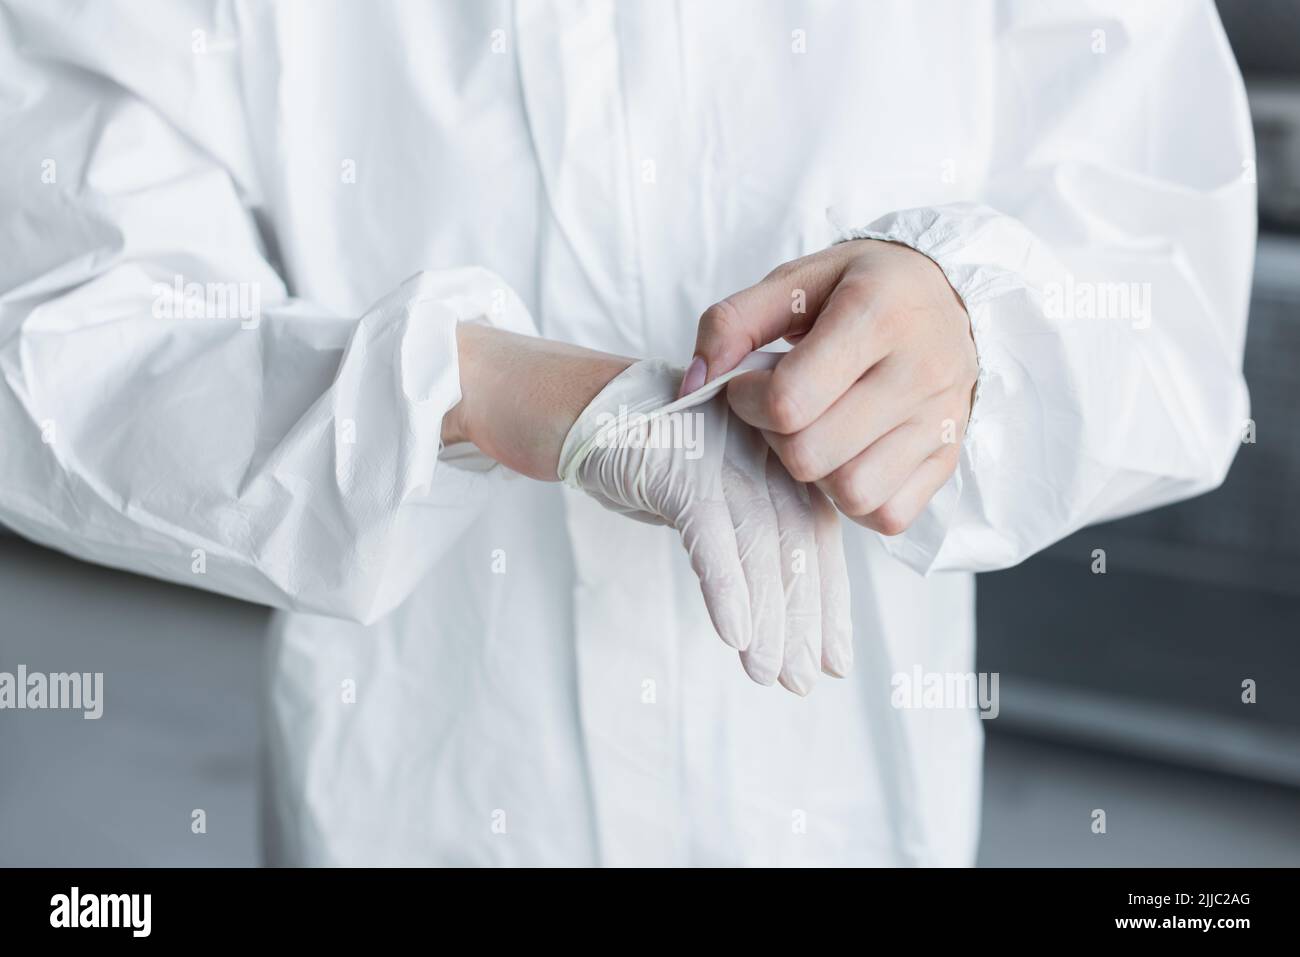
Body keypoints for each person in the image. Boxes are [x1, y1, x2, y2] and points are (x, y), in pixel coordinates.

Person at [0, 0, 1253, 866]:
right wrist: (475, 387)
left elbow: (1164, 293)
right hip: (420, 801)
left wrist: (972, 330)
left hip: (839, 809)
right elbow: (63, 331)